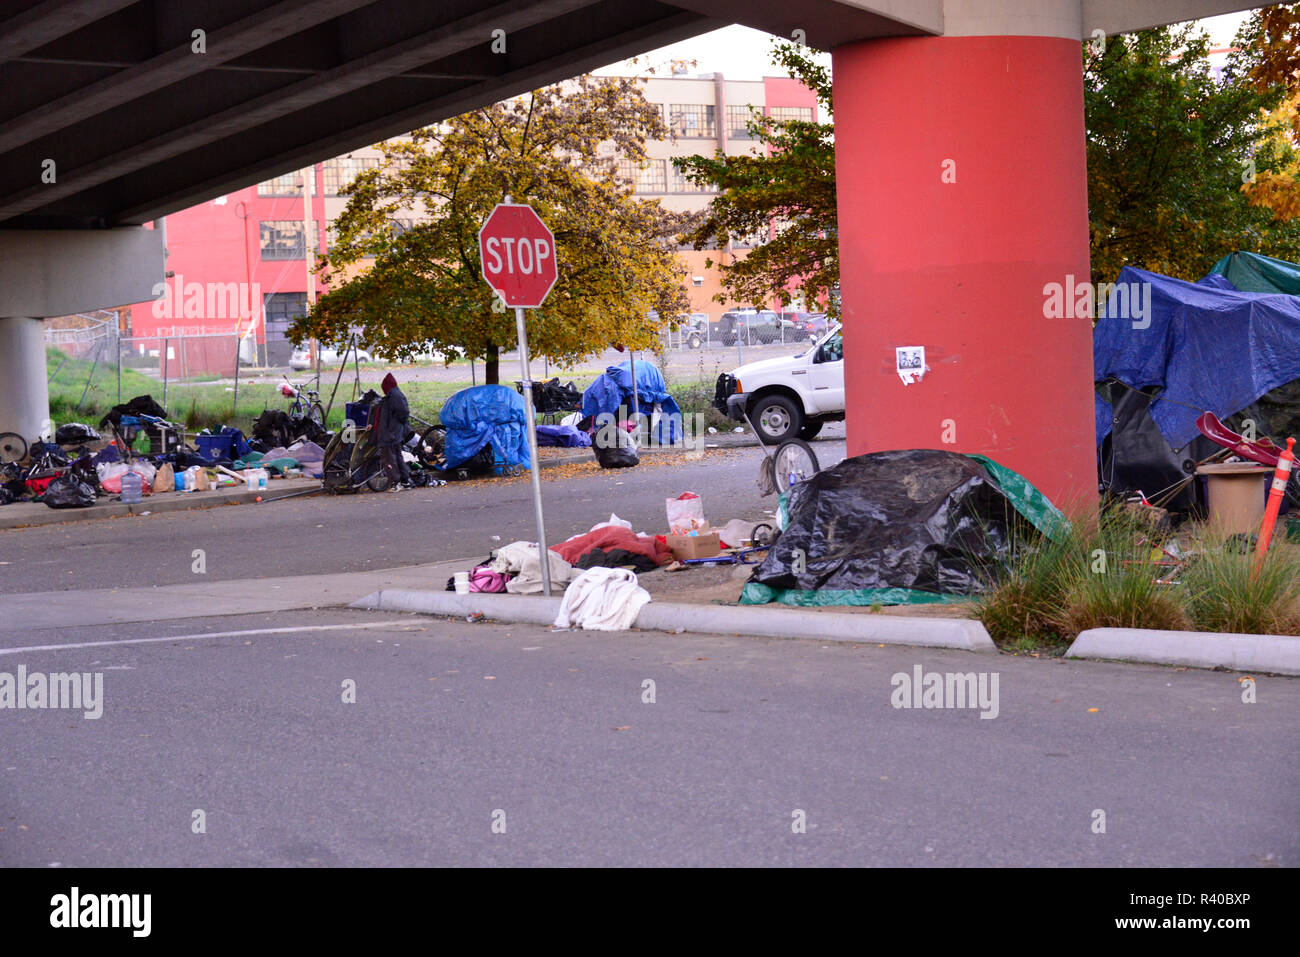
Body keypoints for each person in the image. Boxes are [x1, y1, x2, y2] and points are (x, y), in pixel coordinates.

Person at [376, 372, 412, 489]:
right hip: (394, 433)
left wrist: (393, 428)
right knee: (397, 457)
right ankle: (405, 481)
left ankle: (396, 482)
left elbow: (403, 413)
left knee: (390, 459)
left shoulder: (394, 396)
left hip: (390, 434)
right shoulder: (395, 395)